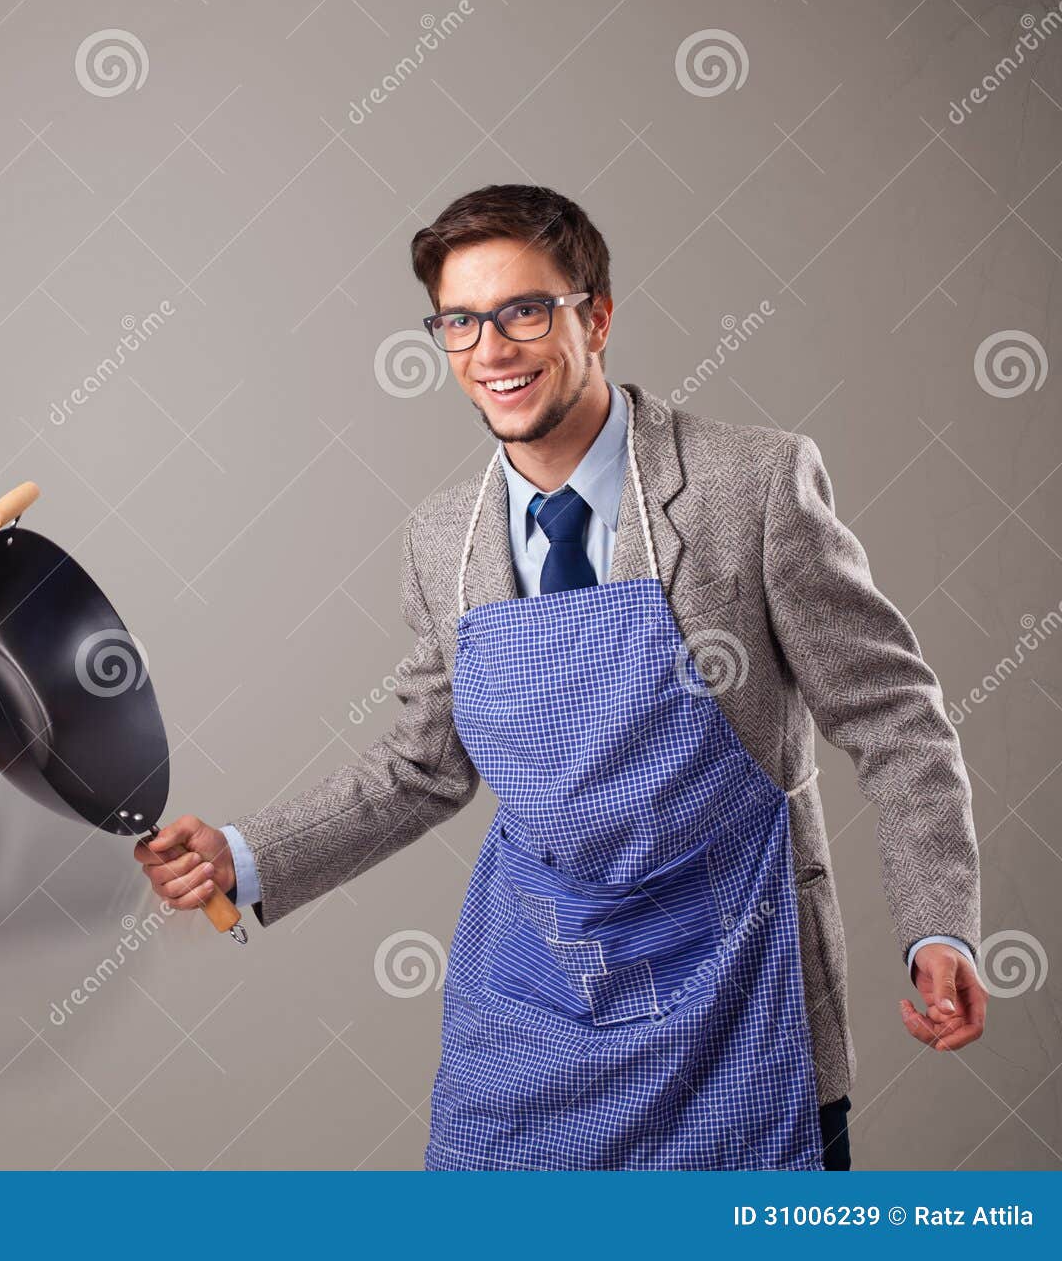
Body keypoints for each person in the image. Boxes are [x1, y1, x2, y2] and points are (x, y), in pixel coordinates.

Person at [133, 183, 985, 1170]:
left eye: (523, 311)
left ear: (598, 316)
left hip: (739, 1014)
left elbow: (895, 720)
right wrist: (243, 854)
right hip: (529, 1026)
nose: (491, 349)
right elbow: (421, 771)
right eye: (459, 321)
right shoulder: (438, 540)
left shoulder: (747, 488)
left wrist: (939, 932)